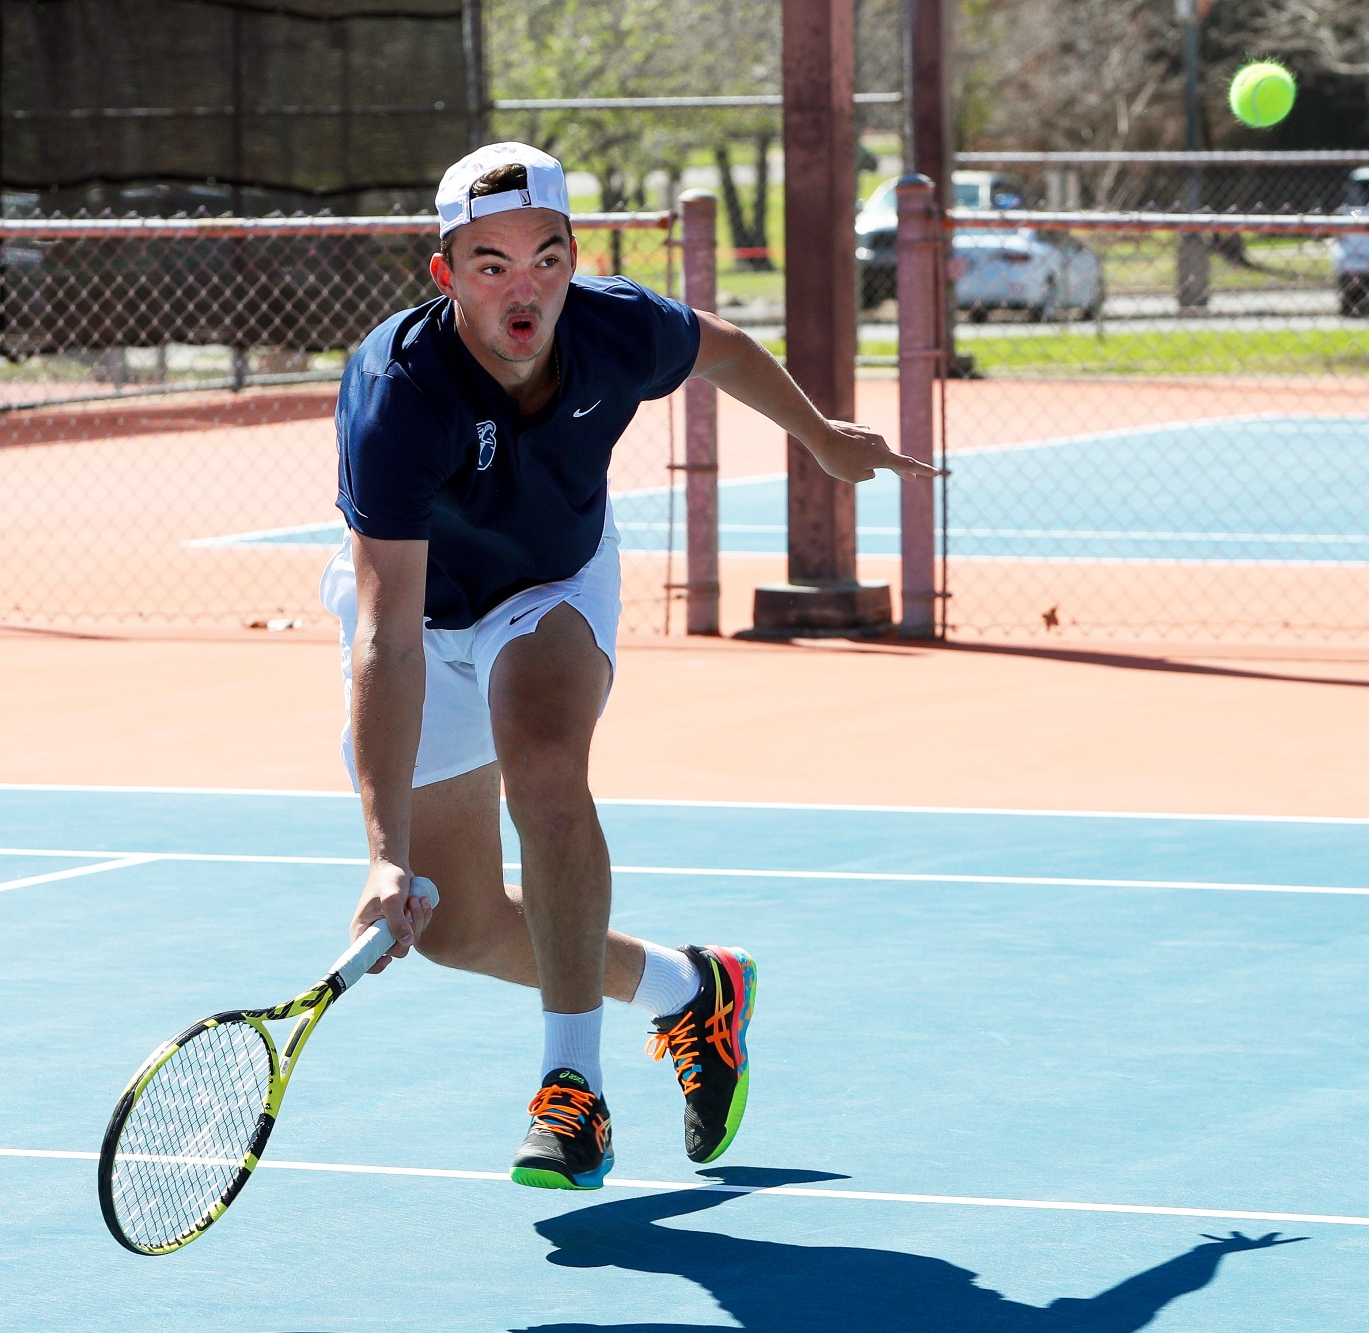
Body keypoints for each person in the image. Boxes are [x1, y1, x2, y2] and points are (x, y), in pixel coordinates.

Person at [322, 142, 940, 1191]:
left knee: (545, 766)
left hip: (550, 588)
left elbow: (725, 347)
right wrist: (385, 855)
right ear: (445, 273)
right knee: (460, 929)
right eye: (490, 263)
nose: (524, 288)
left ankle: (572, 1096)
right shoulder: (398, 395)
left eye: (545, 256)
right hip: (418, 620)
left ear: (572, 258)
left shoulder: (612, 329)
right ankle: (688, 990)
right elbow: (384, 633)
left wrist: (819, 436)